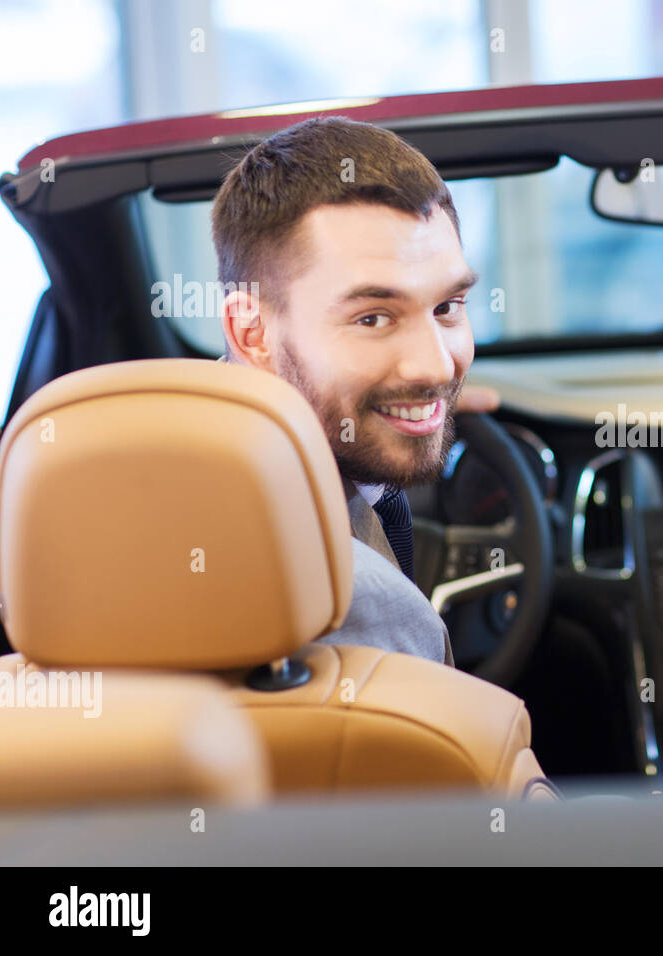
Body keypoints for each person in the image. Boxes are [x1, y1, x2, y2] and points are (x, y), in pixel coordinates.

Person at [213, 115, 494, 666]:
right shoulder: (357, 603)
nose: (435, 366)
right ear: (252, 333)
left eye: (446, 308)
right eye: (372, 319)